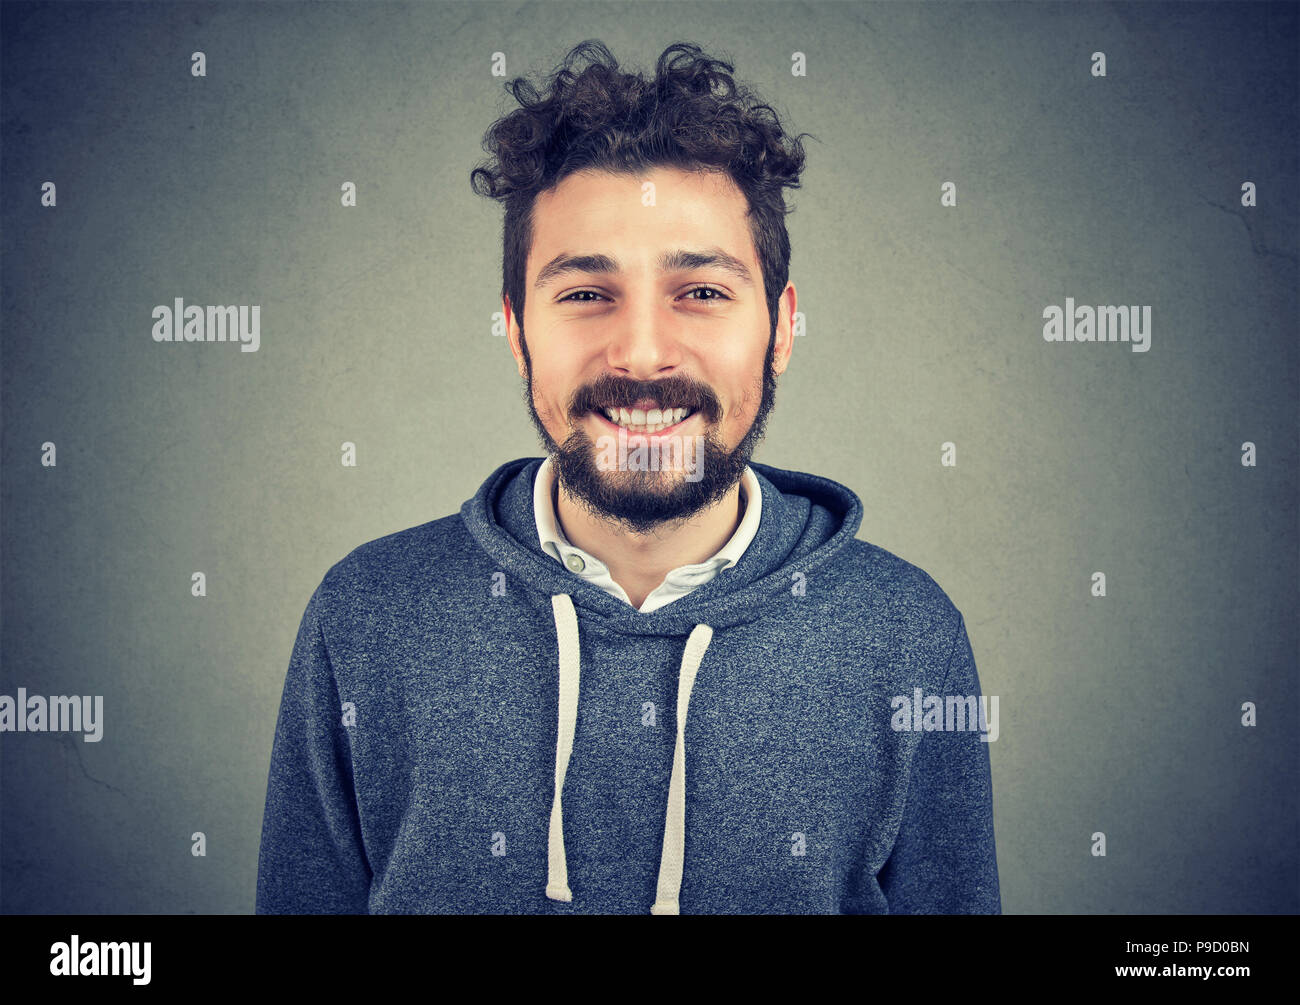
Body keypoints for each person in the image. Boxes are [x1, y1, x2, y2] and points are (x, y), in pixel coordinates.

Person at [255, 39, 1000, 915]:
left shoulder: (908, 635)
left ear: (784, 326)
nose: (642, 353)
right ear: (514, 328)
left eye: (702, 292)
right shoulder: (365, 614)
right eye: (584, 293)